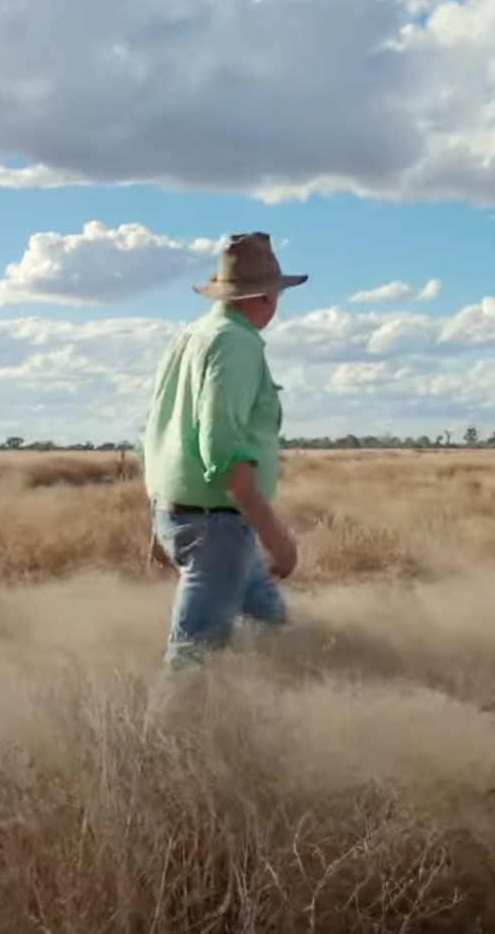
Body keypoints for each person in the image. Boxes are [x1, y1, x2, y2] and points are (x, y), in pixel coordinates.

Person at [138, 231, 305, 671]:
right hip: (217, 524)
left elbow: (153, 432)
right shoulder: (236, 343)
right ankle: (167, 735)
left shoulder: (190, 337)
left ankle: (293, 684)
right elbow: (222, 447)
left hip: (185, 513)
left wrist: (160, 519)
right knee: (194, 656)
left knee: (272, 621)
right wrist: (275, 535)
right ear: (267, 295)